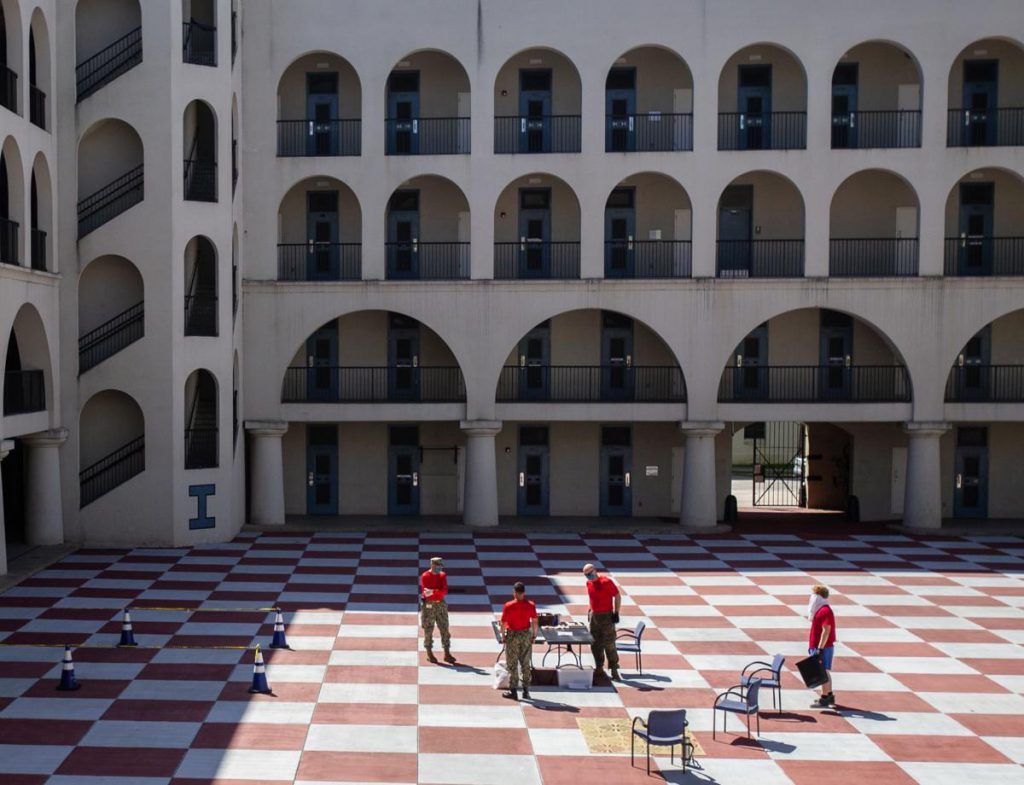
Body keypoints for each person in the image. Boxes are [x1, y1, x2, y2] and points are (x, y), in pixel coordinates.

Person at [500, 581, 539, 701]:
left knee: (512, 663)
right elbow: (535, 622)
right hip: (525, 634)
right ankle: (526, 690)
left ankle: (513, 690)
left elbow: (503, 623)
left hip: (513, 635)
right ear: (524, 592)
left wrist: (503, 636)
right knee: (525, 662)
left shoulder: (508, 605)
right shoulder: (531, 605)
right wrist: (534, 636)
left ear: (514, 592)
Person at [583, 563, 621, 680]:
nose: (588, 576)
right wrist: (590, 611)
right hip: (594, 616)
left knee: (609, 643)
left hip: (607, 616)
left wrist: (616, 612)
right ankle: (599, 667)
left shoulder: (607, 582)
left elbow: (617, 596)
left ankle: (614, 669)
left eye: (589, 573)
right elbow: (592, 598)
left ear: (595, 570)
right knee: (595, 643)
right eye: (586, 575)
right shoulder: (589, 583)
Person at [420, 556, 455, 664]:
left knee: (444, 628)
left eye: (441, 567)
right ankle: (429, 652)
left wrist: (434, 591)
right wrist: (437, 591)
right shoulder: (425, 576)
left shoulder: (442, 575)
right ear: (432, 565)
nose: (440, 569)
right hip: (428, 605)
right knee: (428, 629)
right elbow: (426, 593)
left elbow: (445, 590)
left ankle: (446, 653)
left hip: (440, 604)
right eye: (438, 566)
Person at [807, 584, 837, 707]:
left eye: (814, 594)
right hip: (818, 646)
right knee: (823, 672)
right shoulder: (820, 610)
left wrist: (820, 648)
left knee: (823, 672)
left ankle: (825, 698)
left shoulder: (825, 610)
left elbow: (826, 630)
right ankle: (828, 695)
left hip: (823, 647)